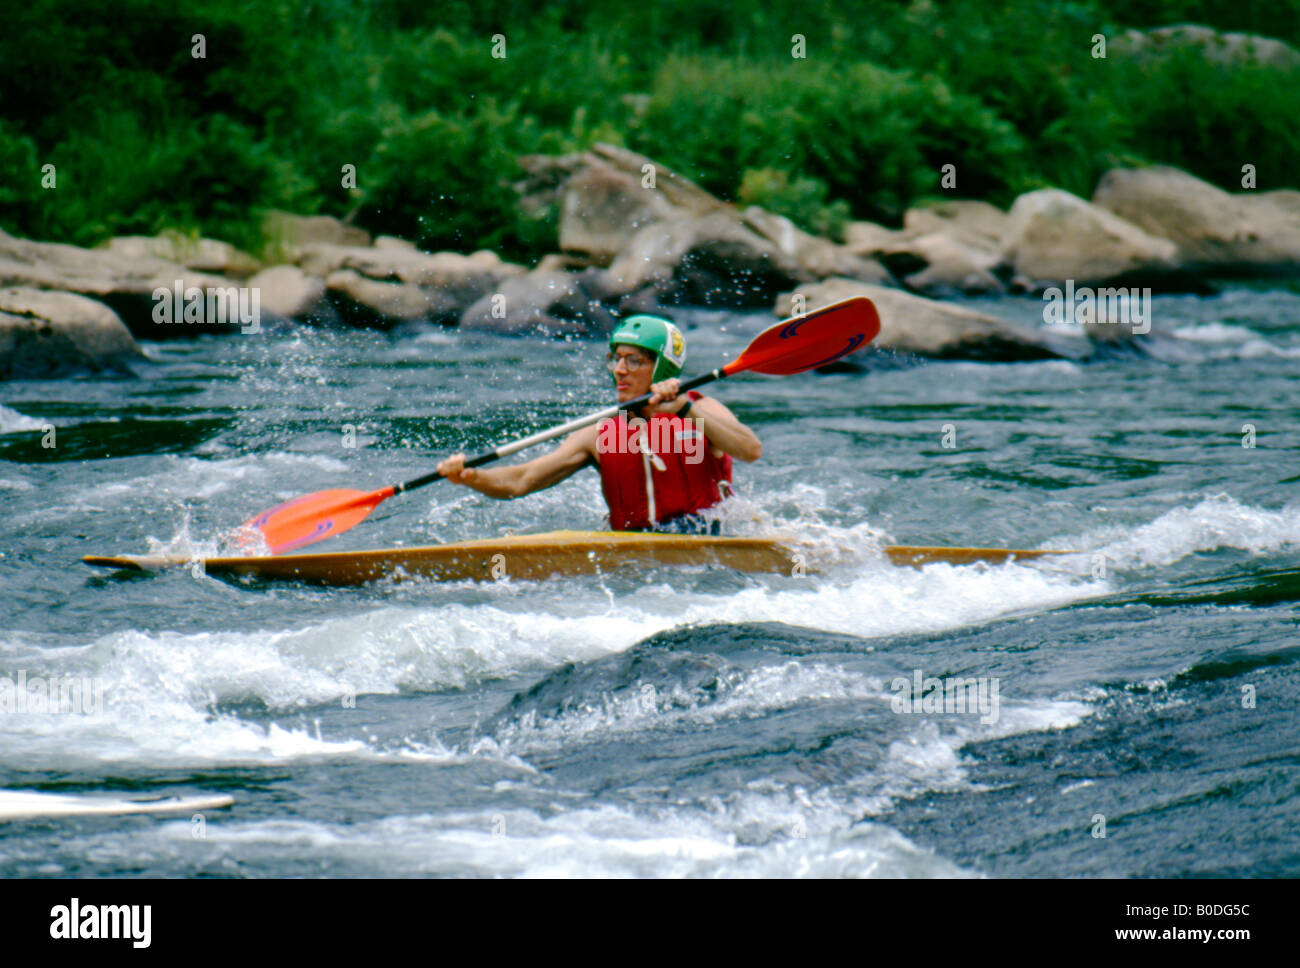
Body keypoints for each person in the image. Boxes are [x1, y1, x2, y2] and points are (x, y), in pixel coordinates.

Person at [436, 315, 762, 533]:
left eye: (634, 360)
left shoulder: (700, 410)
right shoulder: (598, 434)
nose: (620, 369)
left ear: (662, 368)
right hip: (634, 553)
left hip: (710, 542)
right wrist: (471, 477)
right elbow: (521, 481)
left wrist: (684, 408)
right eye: (616, 359)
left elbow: (750, 450)